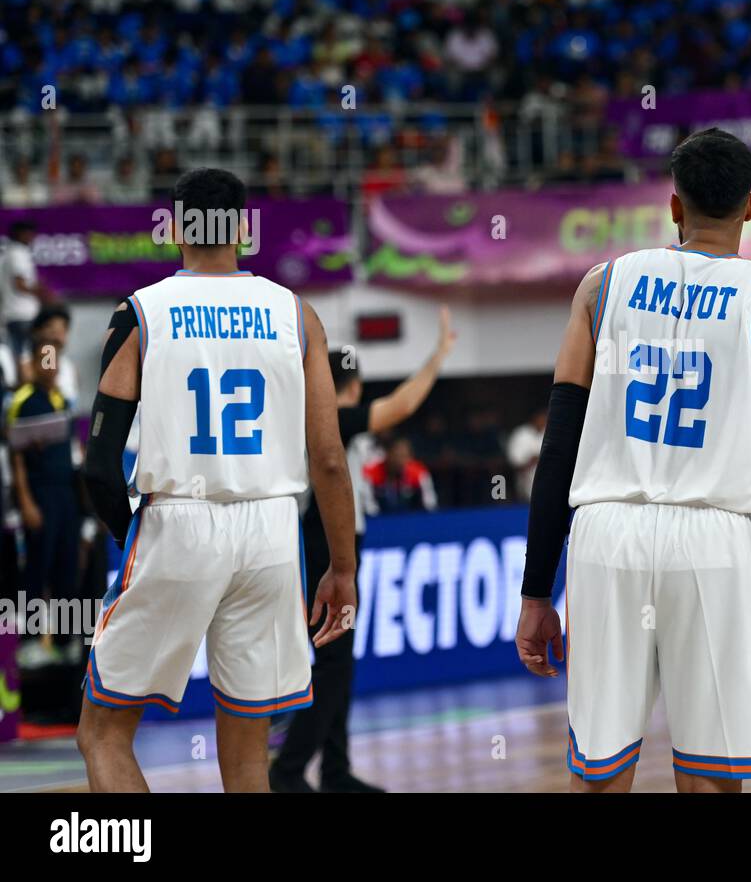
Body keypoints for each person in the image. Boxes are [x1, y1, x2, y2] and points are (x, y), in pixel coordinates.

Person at [515, 127, 751, 793]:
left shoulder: (601, 285)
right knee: (716, 775)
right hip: (713, 539)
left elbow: (559, 445)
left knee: (602, 773)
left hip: (606, 534)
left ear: (674, 206)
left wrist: (535, 591)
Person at [75, 168, 358, 792]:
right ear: (245, 230)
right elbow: (330, 459)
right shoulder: (297, 314)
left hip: (178, 520)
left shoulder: (142, 312)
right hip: (273, 532)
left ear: (175, 227)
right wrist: (342, 568)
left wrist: (136, 538)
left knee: (102, 732)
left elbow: (98, 465)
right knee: (248, 751)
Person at [270, 310, 455, 793]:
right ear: (346, 386)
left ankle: (335, 770)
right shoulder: (330, 414)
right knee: (332, 666)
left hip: (318, 548)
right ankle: (287, 772)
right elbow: (401, 406)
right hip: (327, 550)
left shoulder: (308, 416)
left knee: (337, 662)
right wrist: (438, 355)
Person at [8, 309, 81, 669]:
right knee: (38, 568)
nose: (50, 367)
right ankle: (32, 641)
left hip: (65, 494)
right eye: (44, 360)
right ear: (33, 363)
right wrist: (25, 501)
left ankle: (68, 642)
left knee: (67, 570)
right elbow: (15, 456)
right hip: (39, 495)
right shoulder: (21, 401)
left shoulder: (62, 403)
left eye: (54, 360)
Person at [2, 222, 50, 362]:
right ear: (21, 234)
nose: (32, 237)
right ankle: (29, 381)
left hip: (14, 313)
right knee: (29, 354)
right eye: (30, 233)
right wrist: (42, 292)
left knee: (20, 353)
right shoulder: (18, 253)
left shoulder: (10, 253)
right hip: (23, 314)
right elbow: (20, 284)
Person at [362, 438, 437, 514]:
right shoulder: (371, 474)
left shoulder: (420, 474)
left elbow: (430, 505)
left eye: (404, 456)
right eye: (396, 455)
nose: (399, 461)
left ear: (410, 458)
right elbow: (369, 508)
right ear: (388, 454)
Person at [506, 407, 546, 502]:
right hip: (525, 483)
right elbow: (514, 461)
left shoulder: (550, 432)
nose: (544, 420)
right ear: (535, 418)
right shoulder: (520, 434)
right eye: (541, 417)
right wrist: (532, 459)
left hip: (548, 482)